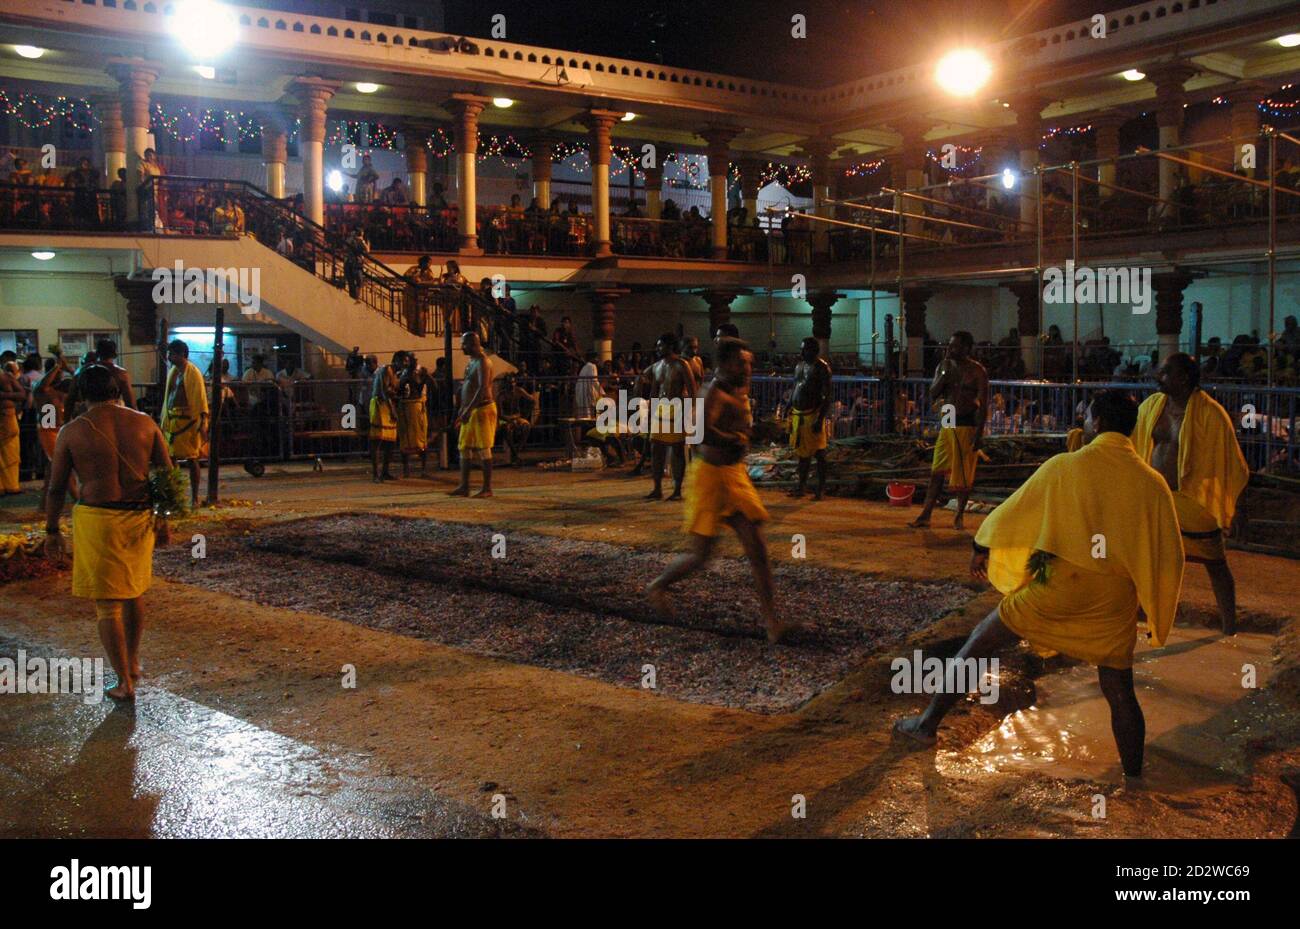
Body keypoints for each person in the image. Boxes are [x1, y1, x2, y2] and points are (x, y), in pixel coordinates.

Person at [895, 391, 1184, 778]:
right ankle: (1134, 777)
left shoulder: (1066, 466)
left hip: (1060, 585)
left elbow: (1016, 510)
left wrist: (982, 544)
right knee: (1119, 689)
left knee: (979, 643)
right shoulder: (1152, 482)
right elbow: (1169, 552)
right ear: (1132, 427)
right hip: (1114, 598)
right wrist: (1150, 601)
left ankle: (926, 726)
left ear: (1095, 423)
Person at [646, 338, 792, 644]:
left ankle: (772, 622)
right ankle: (658, 585)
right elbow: (702, 432)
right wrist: (737, 439)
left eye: (750, 362)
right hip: (710, 478)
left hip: (734, 476)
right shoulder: (712, 391)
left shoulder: (738, 389)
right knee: (701, 555)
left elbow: (736, 429)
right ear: (725, 364)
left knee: (758, 549)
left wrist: (756, 432)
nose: (749, 368)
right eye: (743, 363)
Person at [43, 365, 175, 701]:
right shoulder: (145, 424)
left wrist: (52, 529)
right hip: (139, 517)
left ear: (83, 394)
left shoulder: (72, 430)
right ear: (117, 390)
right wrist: (164, 520)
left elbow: (56, 487)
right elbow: (167, 477)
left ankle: (124, 681)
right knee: (134, 591)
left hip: (98, 518)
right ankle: (131, 663)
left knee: (108, 605)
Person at [1131, 353, 1249, 635]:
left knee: (1215, 563)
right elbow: (1129, 444)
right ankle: (1141, 621)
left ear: (1183, 378)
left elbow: (1232, 463)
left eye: (1164, 372)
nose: (1157, 376)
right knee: (1141, 561)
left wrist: (1237, 508)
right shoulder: (1151, 407)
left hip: (1193, 503)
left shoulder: (1211, 414)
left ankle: (1229, 628)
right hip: (1156, 499)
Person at [908, 331, 988, 530]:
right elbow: (933, 393)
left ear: (967, 348)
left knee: (962, 474)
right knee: (937, 470)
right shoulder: (943, 367)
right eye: (950, 345)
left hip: (967, 420)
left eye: (956, 346)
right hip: (949, 416)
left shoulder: (977, 371)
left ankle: (959, 515)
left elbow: (983, 404)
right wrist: (944, 376)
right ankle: (926, 514)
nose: (951, 349)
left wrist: (978, 434)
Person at [643, 332, 697, 501]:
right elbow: (653, 390)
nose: (658, 348)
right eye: (658, 346)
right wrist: (650, 411)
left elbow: (692, 391)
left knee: (676, 450)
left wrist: (690, 413)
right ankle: (657, 488)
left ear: (670, 346)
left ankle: (677, 490)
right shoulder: (657, 366)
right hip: (660, 410)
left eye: (661, 345)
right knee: (656, 449)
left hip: (677, 409)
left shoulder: (682, 365)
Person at [160, 339, 209, 508]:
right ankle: (176, 496)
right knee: (170, 459)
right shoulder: (173, 372)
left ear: (182, 355)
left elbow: (200, 399)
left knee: (192, 458)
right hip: (173, 420)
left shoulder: (193, 372)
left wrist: (202, 422)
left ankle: (194, 498)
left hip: (189, 421)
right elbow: (169, 398)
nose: (169, 357)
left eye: (172, 354)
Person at [448, 331, 496, 497]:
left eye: (464, 344)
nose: (461, 347)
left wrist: (467, 410)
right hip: (471, 409)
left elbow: (482, 389)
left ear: (473, 344)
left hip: (482, 409)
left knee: (484, 448)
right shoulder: (473, 361)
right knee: (465, 447)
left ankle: (487, 488)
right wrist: (462, 409)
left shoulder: (483, 361)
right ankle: (464, 486)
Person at [788, 336, 832, 500]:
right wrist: (788, 407)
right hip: (798, 414)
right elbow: (795, 387)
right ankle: (801, 486)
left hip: (812, 414)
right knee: (802, 454)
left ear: (813, 351)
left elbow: (827, 396)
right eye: (801, 349)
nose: (801, 352)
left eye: (804, 349)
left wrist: (820, 419)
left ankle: (820, 489)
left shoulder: (822, 368)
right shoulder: (799, 366)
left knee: (819, 453)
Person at [369, 352, 403, 482]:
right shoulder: (386, 370)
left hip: (388, 405)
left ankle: (385, 472)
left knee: (390, 441)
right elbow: (384, 392)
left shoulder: (395, 374)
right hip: (380, 405)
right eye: (403, 361)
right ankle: (375, 474)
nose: (405, 364)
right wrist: (393, 410)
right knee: (377, 440)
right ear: (396, 360)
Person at [397, 354, 429, 477]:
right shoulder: (401, 374)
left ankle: (423, 469)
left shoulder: (420, 373)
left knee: (420, 438)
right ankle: (406, 469)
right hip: (405, 406)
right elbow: (399, 389)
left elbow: (425, 386)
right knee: (405, 439)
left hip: (416, 405)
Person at [498, 373, 538, 467]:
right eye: (509, 383)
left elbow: (532, 400)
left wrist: (525, 415)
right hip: (505, 419)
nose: (511, 385)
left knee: (526, 425)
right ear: (505, 384)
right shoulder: (501, 396)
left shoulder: (518, 391)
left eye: (513, 382)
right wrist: (511, 419)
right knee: (506, 428)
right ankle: (515, 453)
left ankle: (516, 451)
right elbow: (500, 415)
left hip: (516, 417)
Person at [0, 358, 26, 495]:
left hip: (7, 417)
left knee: (11, 452)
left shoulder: (6, 377)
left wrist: (4, 395)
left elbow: (22, 394)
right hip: (7, 415)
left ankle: (11, 485)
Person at [93, 338, 136, 410]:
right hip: (112, 411)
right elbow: (130, 403)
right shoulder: (120, 373)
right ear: (114, 354)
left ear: (97, 353)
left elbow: (72, 398)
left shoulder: (85, 371)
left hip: (89, 412)